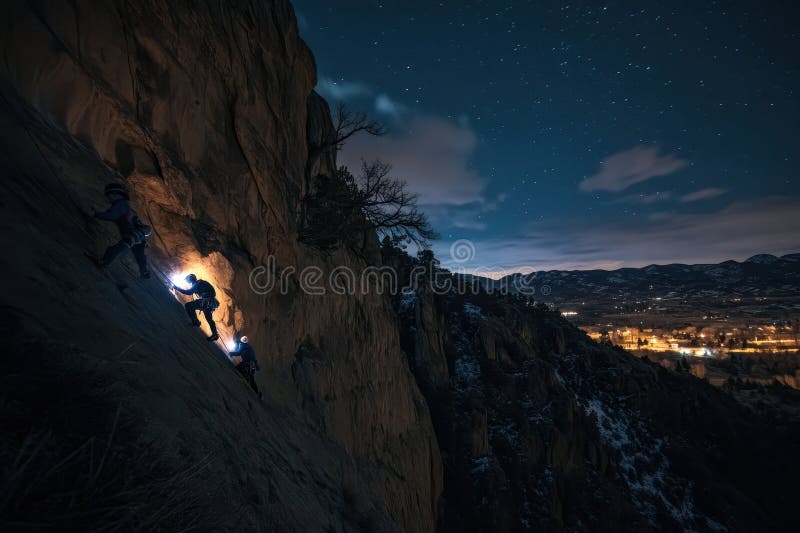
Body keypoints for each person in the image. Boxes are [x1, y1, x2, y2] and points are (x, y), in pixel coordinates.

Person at [93, 183, 151, 278]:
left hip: (132, 235)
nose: (108, 198)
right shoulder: (126, 206)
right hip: (140, 236)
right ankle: (144, 272)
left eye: (109, 195)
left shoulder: (120, 204)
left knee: (114, 249)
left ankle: (103, 262)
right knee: (140, 256)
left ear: (116, 194)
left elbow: (112, 215)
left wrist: (97, 214)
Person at [172, 274, 220, 341]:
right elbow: (211, 291)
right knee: (209, 319)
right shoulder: (200, 283)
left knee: (189, 306)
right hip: (210, 303)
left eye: (188, 280)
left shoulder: (197, 283)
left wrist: (177, 288)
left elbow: (189, 292)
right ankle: (215, 334)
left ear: (190, 280)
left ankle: (196, 322)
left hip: (206, 301)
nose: (188, 282)